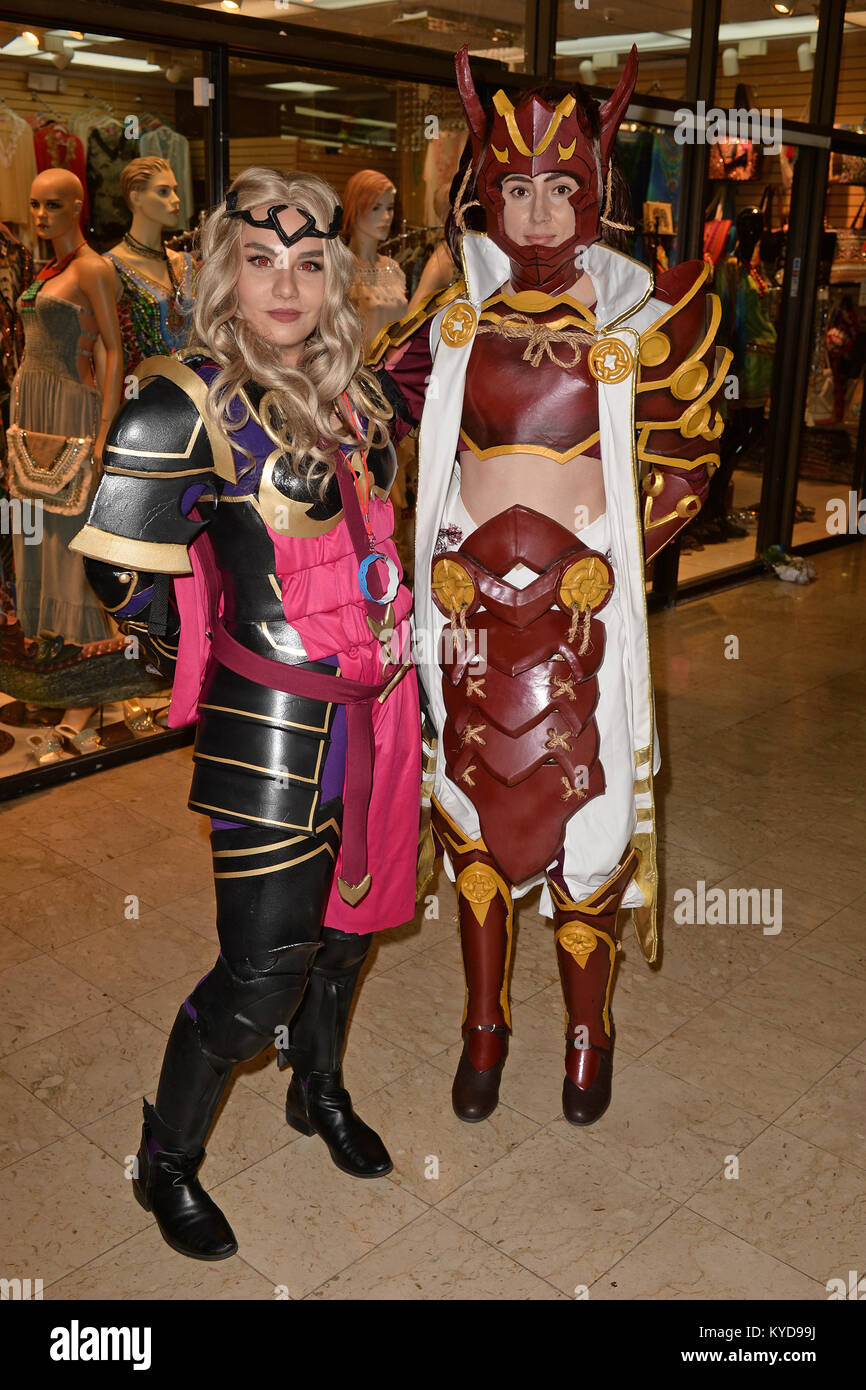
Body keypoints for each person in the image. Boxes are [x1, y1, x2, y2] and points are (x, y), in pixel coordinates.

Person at [370, 48, 729, 1127]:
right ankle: (484, 1023)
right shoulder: (450, 327)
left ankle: (587, 1027)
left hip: (584, 618)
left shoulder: (640, 328)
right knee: (469, 814)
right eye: (513, 188)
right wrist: (425, 539)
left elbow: (682, 464)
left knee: (590, 824)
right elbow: (391, 437)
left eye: (555, 188)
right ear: (486, 191)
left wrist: (615, 558)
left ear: (594, 194)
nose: (532, 214)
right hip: (464, 612)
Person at [70, 167, 420, 1260]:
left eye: (309, 263)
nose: (286, 284)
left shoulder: (358, 393)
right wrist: (204, 646)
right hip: (269, 725)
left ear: (335, 277)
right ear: (227, 266)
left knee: (348, 936)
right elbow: (118, 567)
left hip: (378, 707)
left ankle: (314, 1091)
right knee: (260, 970)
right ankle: (162, 1161)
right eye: (261, 259)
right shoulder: (180, 396)